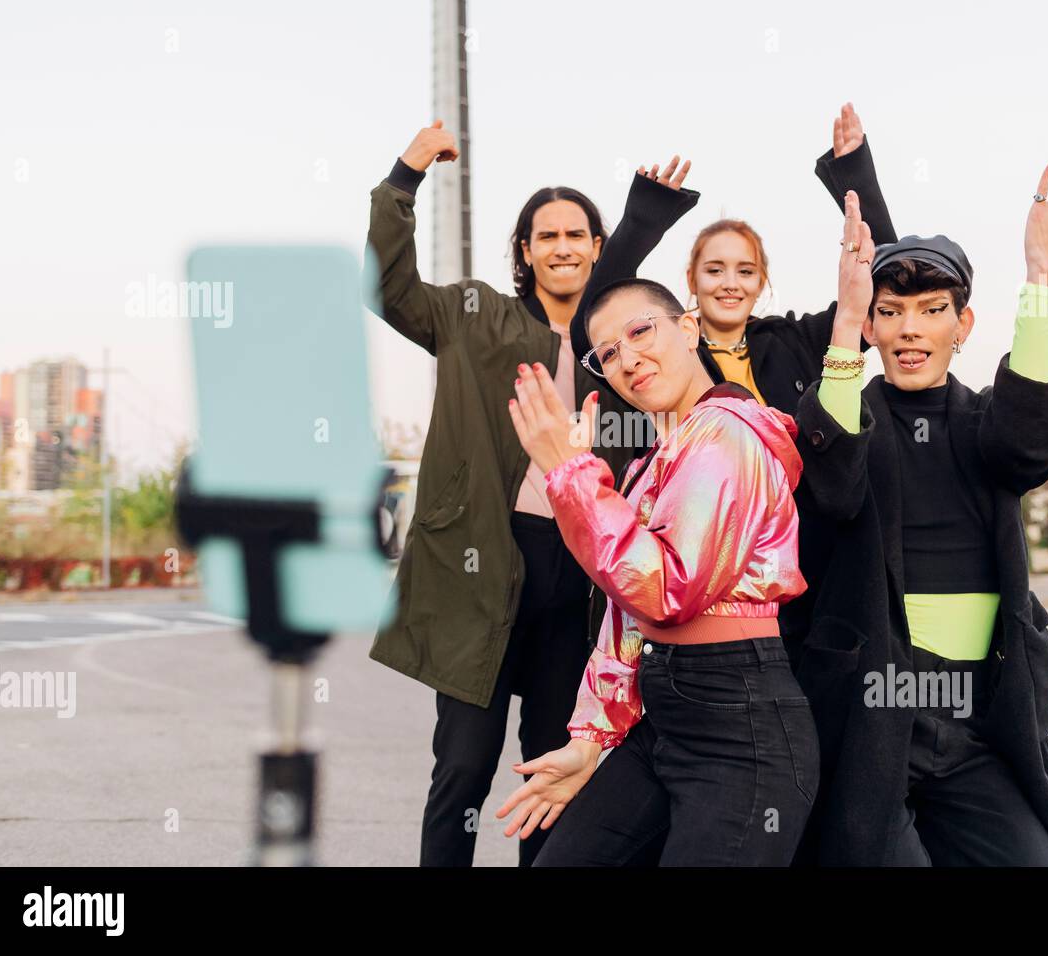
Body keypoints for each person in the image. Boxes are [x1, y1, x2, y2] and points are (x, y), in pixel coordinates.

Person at [363, 119, 700, 866]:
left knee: (552, 770)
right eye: (546, 235)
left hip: (579, 579)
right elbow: (386, 288)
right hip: (484, 567)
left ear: (597, 246)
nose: (563, 247)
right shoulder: (473, 315)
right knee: (463, 771)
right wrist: (405, 176)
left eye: (578, 235)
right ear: (525, 251)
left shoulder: (621, 347)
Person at [791, 150, 1048, 865]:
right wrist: (843, 325)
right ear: (872, 328)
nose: (910, 329)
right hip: (872, 722)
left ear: (962, 325)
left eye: (932, 311)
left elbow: (1030, 440)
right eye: (890, 312)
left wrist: (1044, 280)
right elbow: (833, 481)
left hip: (978, 729)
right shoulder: (850, 418)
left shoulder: (986, 428)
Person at [494, 277, 819, 866]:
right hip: (665, 717)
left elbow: (667, 590)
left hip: (740, 727)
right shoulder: (652, 463)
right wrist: (591, 740)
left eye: (640, 330)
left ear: (689, 328)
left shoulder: (728, 433)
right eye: (609, 354)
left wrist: (569, 474)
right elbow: (629, 614)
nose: (628, 359)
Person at [573, 103, 899, 659]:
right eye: (714, 270)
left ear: (762, 281)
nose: (730, 282)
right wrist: (642, 221)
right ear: (690, 289)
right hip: (693, 581)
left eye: (745, 270)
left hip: (798, 572)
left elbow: (878, 290)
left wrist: (854, 179)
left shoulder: (798, 342)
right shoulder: (661, 362)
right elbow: (596, 330)